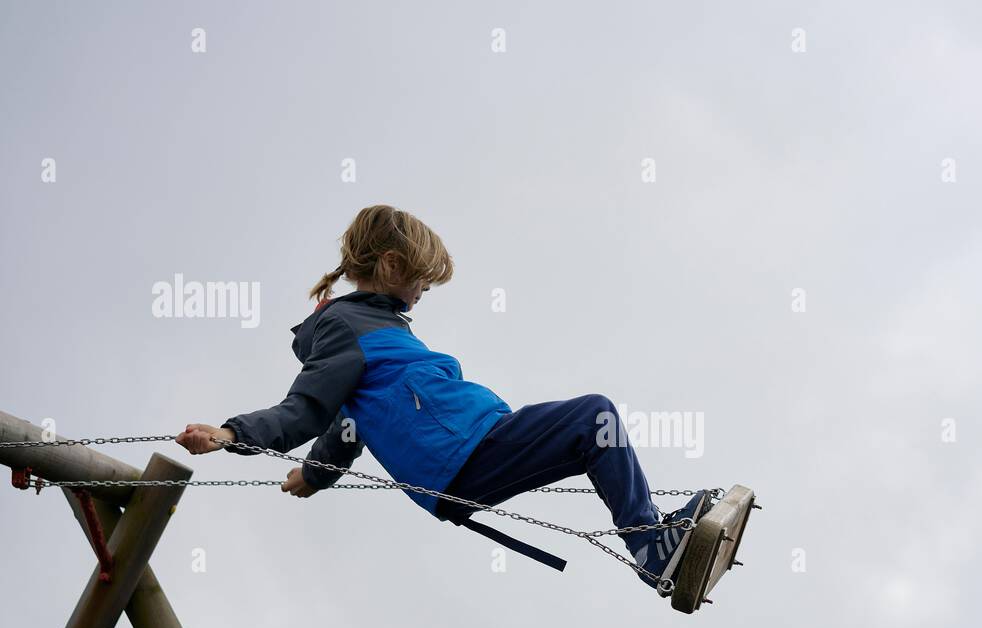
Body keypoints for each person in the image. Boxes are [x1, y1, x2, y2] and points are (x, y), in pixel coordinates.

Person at [175, 204, 711, 588]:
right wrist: (231, 434)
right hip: (461, 455)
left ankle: (659, 542)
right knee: (595, 415)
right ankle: (648, 547)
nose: (422, 296)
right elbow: (309, 408)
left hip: (469, 450)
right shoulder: (348, 327)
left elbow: (348, 427)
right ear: (389, 267)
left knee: (594, 433)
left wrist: (315, 475)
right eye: (422, 285)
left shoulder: (379, 332)